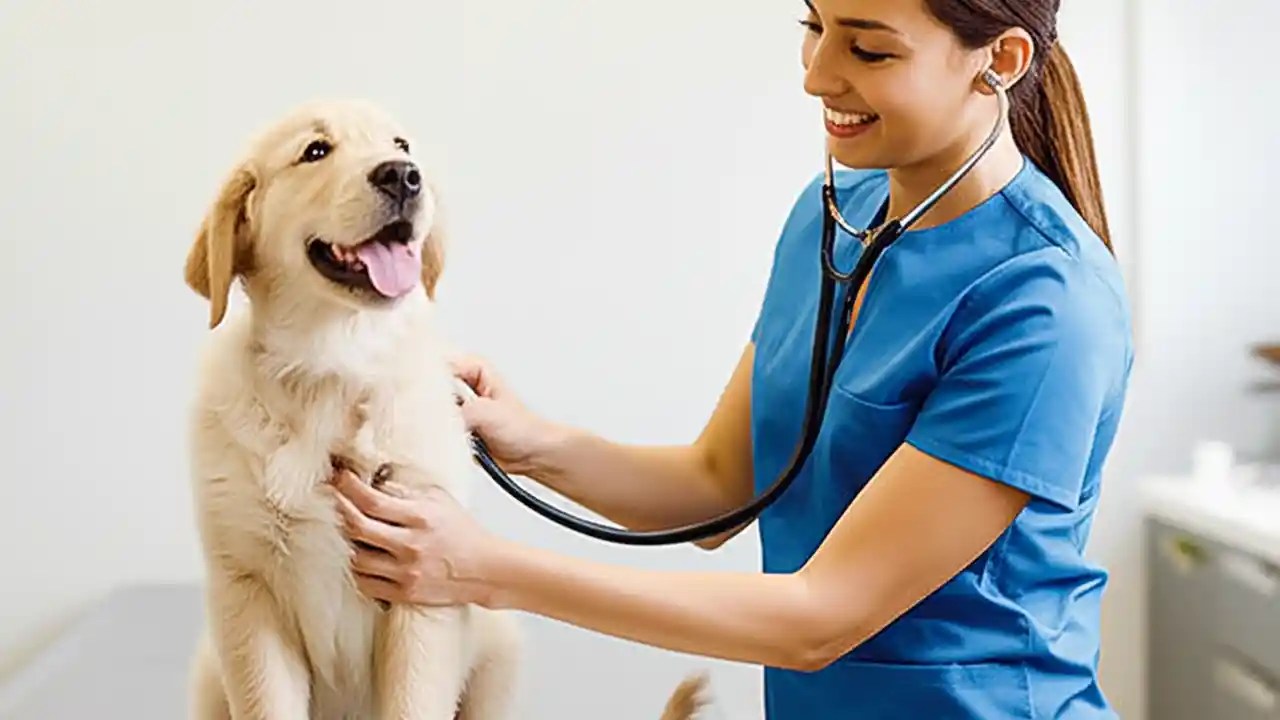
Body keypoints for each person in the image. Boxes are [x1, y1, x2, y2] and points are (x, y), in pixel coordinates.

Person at [328, 0, 1133, 717]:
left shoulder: (1045, 302)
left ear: (1000, 61)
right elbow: (720, 486)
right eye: (813, 27)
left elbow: (823, 616)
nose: (819, 76)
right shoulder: (835, 220)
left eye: (869, 49)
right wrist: (531, 442)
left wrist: (481, 568)